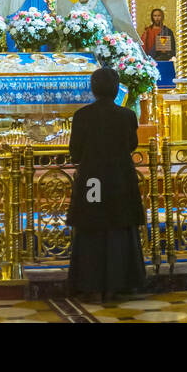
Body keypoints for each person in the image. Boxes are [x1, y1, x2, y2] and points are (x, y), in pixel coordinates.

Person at [67, 67, 146, 300]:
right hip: (121, 179)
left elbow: (75, 154)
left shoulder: (82, 116)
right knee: (120, 227)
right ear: (116, 88)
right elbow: (131, 145)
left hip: (93, 181)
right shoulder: (127, 115)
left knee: (92, 224)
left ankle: (90, 282)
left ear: (93, 88)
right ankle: (121, 281)